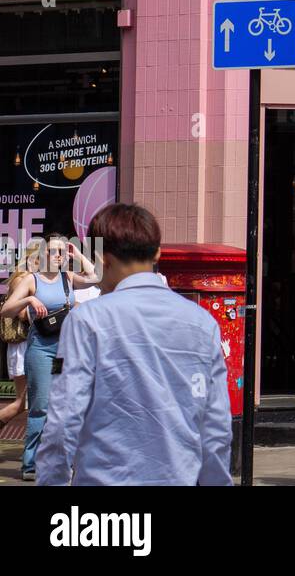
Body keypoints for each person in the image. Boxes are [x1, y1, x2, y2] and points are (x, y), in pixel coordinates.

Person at [31, 206, 232, 485]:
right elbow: (217, 427)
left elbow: (64, 419)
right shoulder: (202, 323)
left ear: (103, 259)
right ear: (157, 253)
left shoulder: (86, 320)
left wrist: (52, 481)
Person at [1, 234, 98, 480]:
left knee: (65, 406)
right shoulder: (32, 280)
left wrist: (79, 256)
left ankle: (62, 461)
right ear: (42, 254)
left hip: (65, 352)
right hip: (41, 351)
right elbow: (6, 309)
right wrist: (29, 298)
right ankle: (30, 464)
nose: (58, 256)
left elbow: (97, 277)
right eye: (54, 251)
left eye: (62, 252)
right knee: (40, 407)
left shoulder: (67, 278)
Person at [0, 240, 42, 428]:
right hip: (23, 345)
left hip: (30, 344)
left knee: (27, 402)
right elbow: (23, 314)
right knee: (22, 403)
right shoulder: (22, 279)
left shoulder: (33, 277)